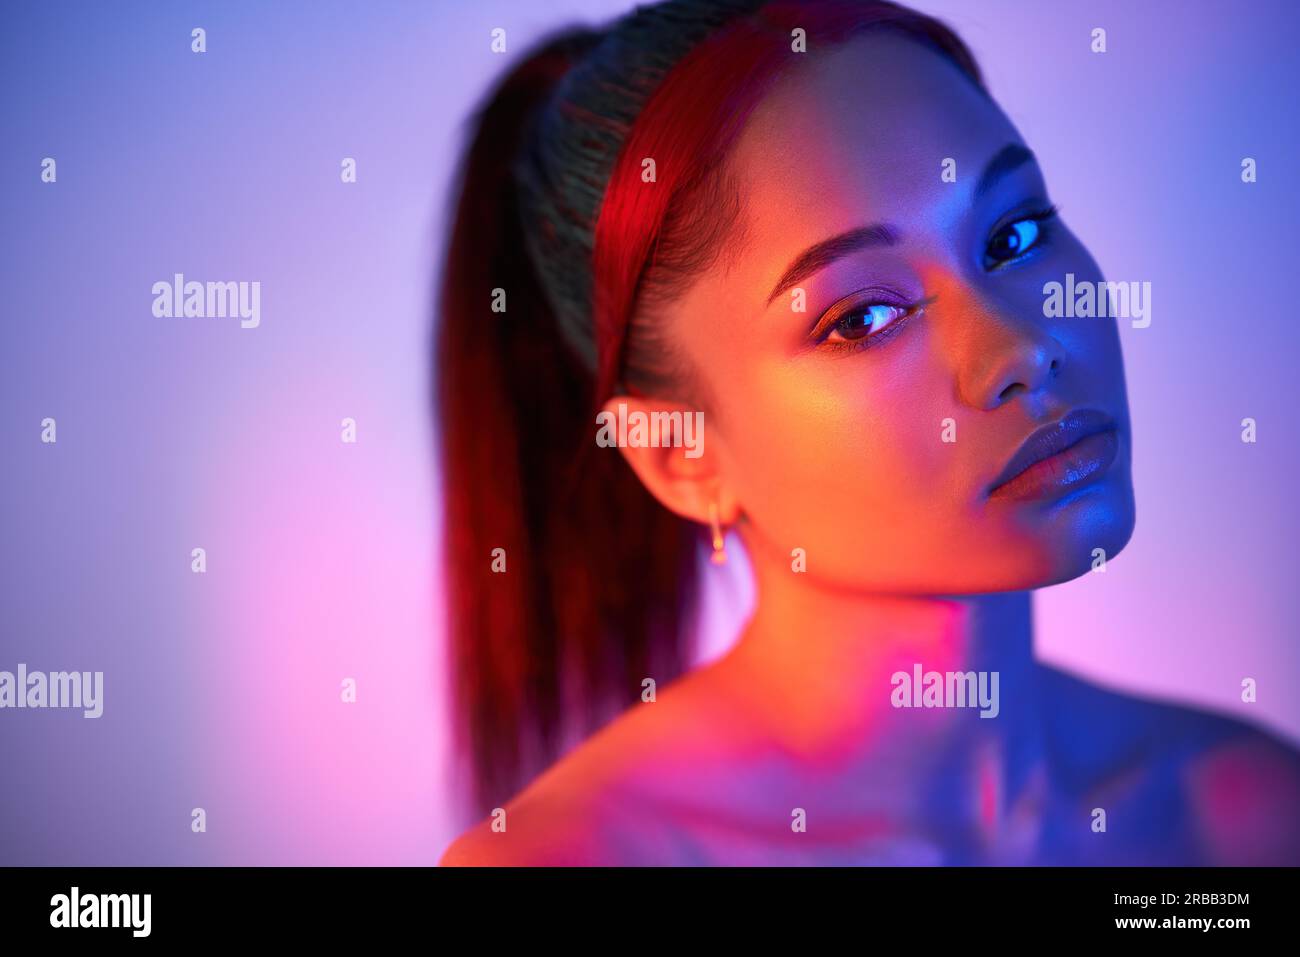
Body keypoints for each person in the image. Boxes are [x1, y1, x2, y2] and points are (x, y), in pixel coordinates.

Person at [435, 0, 1300, 865]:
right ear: (681, 455)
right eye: (865, 316)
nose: (1024, 349)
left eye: (1015, 234)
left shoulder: (1240, 814)